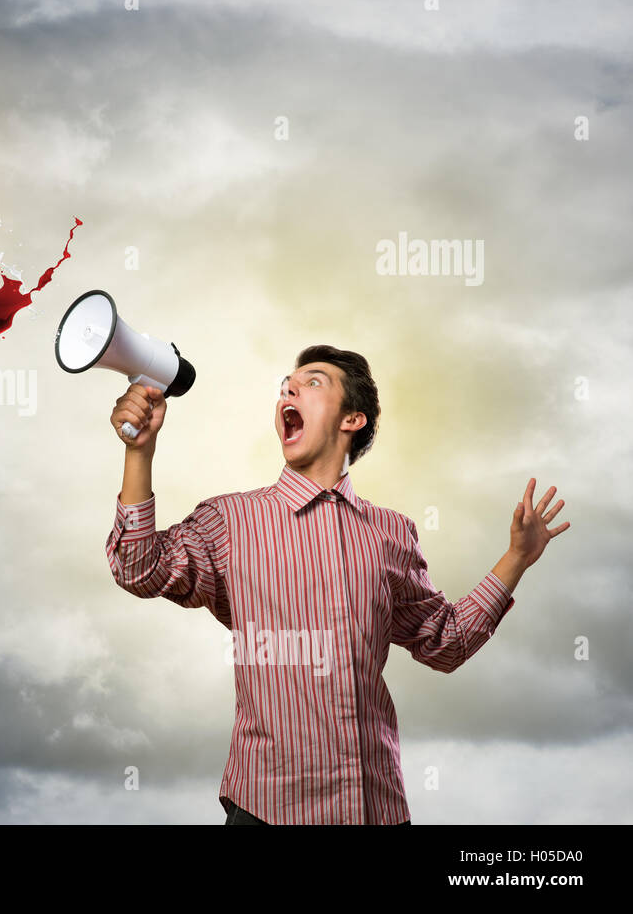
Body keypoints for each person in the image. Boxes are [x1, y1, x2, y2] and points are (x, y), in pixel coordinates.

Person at [106, 345, 571, 824]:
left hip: (376, 810)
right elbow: (138, 568)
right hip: (266, 810)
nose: (288, 387)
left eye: (312, 381)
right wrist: (139, 453)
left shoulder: (392, 533)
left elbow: (445, 643)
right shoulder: (230, 521)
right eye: (286, 383)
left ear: (353, 418)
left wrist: (517, 558)